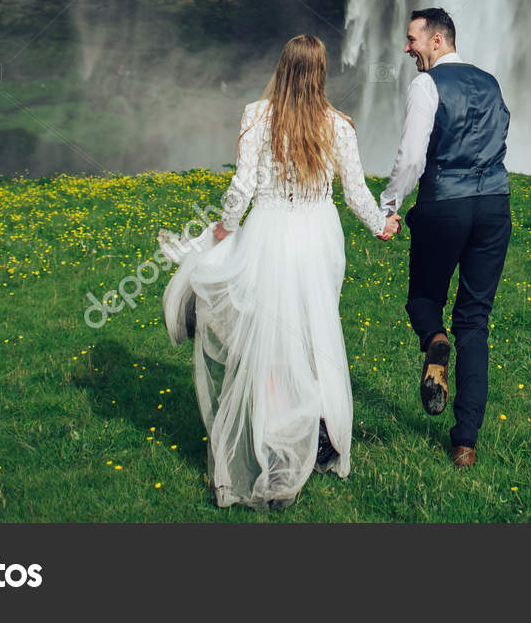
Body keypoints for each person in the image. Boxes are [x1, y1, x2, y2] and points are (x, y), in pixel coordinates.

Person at [157, 35, 392, 510]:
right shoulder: (338, 125)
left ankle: (273, 440)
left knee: (269, 339)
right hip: (318, 237)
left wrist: (224, 229)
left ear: (282, 68)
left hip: (269, 233)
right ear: (322, 72)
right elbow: (355, 193)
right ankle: (322, 432)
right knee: (316, 334)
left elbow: (242, 184)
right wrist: (380, 224)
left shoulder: (256, 116)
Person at [380, 7, 512, 469]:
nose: (407, 48)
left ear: (437, 41)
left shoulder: (426, 84)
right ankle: (465, 443)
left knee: (423, 301)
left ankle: (435, 340)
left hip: (444, 204)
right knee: (475, 320)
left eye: (412, 39)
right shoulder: (490, 81)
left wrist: (390, 204)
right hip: (495, 205)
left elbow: (413, 155)